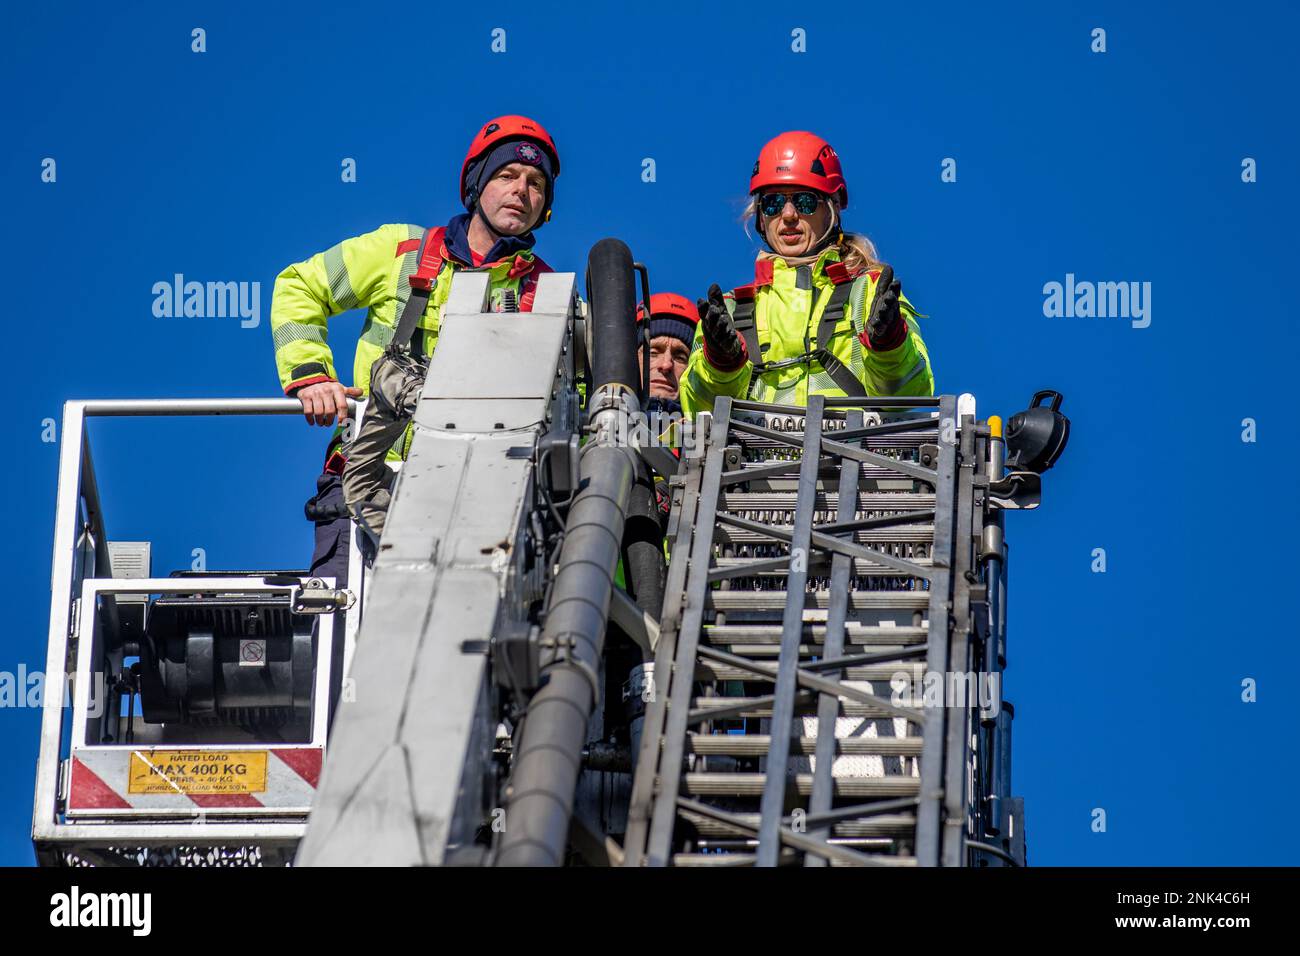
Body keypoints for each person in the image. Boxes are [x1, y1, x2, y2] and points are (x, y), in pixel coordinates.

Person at [269, 115, 561, 587]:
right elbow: (300, 286)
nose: (521, 190)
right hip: (364, 478)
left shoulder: (551, 296)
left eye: (535, 183)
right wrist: (311, 374)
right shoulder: (402, 251)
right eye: (507, 175)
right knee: (342, 632)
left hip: (487, 506)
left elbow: (580, 402)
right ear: (476, 185)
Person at [678, 131, 934, 418]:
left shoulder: (871, 292)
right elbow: (698, 410)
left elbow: (910, 394)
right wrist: (721, 365)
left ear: (833, 207)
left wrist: (890, 347)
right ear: (761, 216)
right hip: (754, 460)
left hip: (855, 457)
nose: (788, 215)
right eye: (773, 203)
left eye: (805, 201)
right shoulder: (729, 308)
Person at [636, 292, 696, 414]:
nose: (666, 365)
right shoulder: (594, 416)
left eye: (680, 357)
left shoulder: (711, 425)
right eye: (653, 352)